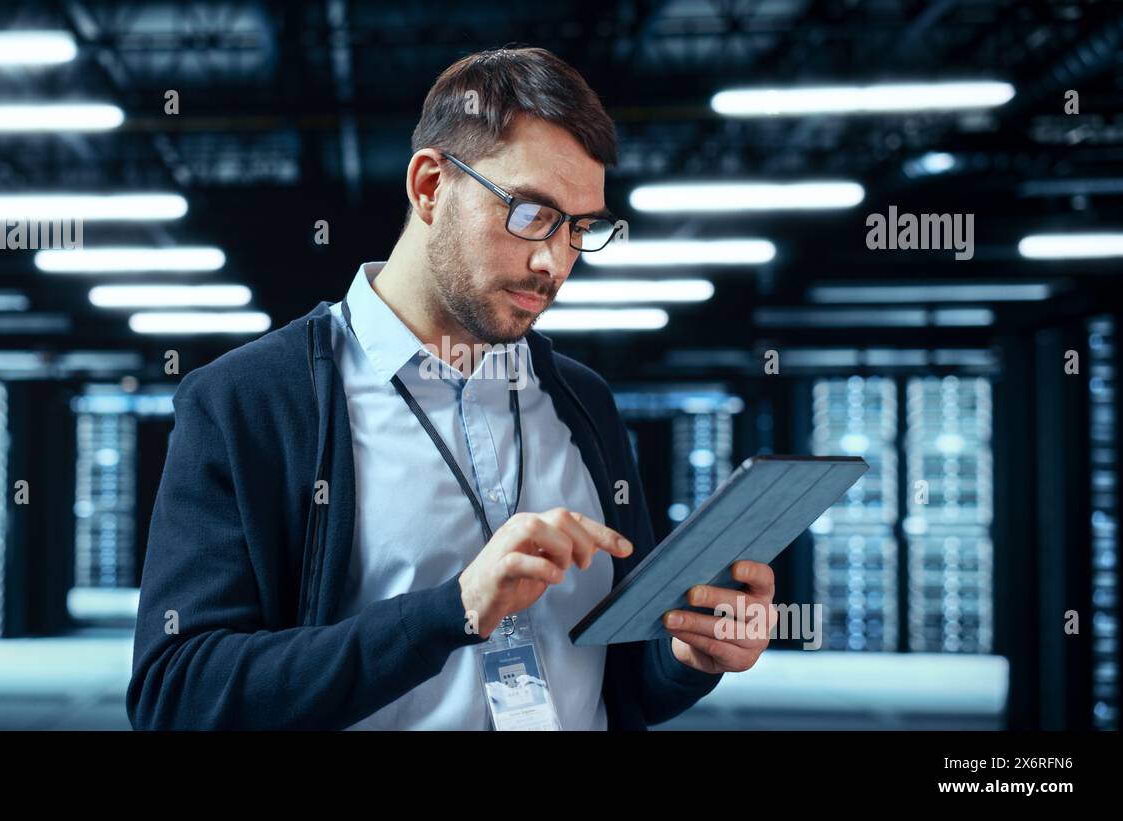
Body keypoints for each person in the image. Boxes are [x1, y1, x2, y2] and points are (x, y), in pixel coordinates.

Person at [127, 45, 775, 731]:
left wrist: (686, 653)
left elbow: (620, 683)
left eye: (581, 229)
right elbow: (177, 694)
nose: (552, 262)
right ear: (430, 186)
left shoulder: (583, 403)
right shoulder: (247, 403)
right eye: (530, 213)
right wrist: (452, 609)